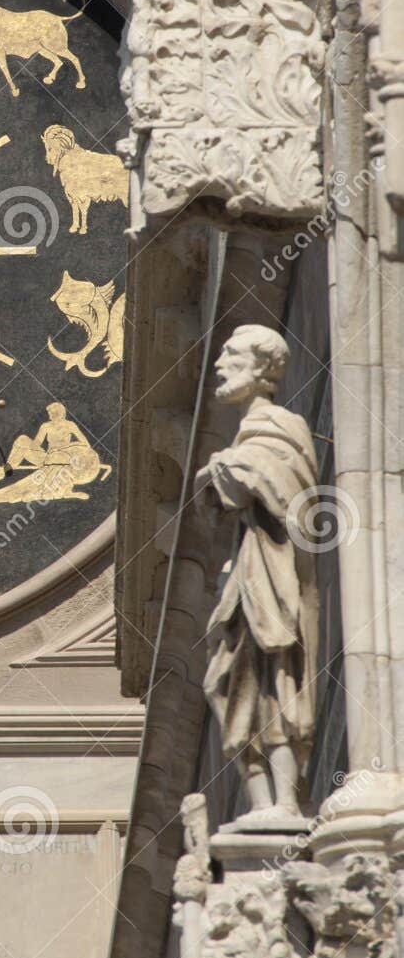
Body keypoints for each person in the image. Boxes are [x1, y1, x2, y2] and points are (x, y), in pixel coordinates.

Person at [195, 325, 319, 827]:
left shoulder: (280, 427)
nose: (220, 364)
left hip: (272, 574)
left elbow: (280, 490)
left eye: (232, 354)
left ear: (264, 368)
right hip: (248, 569)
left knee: (275, 679)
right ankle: (261, 802)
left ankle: (283, 805)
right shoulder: (250, 436)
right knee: (223, 681)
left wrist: (227, 468)